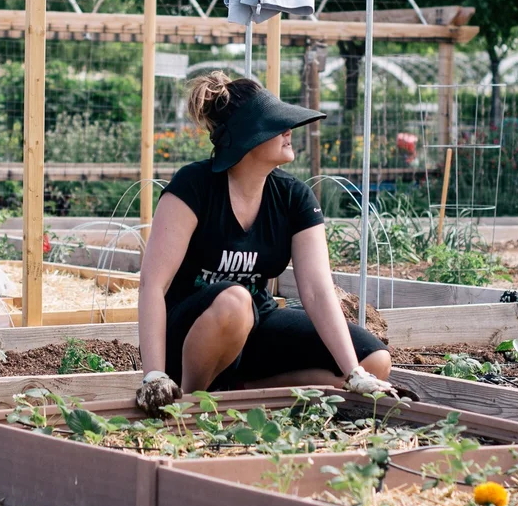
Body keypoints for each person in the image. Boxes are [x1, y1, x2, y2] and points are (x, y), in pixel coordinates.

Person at [134, 72, 394, 415]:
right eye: (276, 125)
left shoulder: (294, 197)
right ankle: (189, 403)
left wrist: (354, 372)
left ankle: (240, 390)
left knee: (375, 360)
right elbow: (153, 284)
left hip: (255, 324)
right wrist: (154, 374)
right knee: (234, 301)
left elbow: (317, 291)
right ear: (248, 137)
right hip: (189, 336)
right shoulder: (193, 186)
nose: (289, 131)